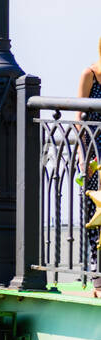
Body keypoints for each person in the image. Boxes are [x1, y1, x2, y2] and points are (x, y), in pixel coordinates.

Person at [79, 44, 101, 295]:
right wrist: (85, 157)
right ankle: (97, 277)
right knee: (94, 212)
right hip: (95, 152)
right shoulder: (90, 74)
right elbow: (79, 118)